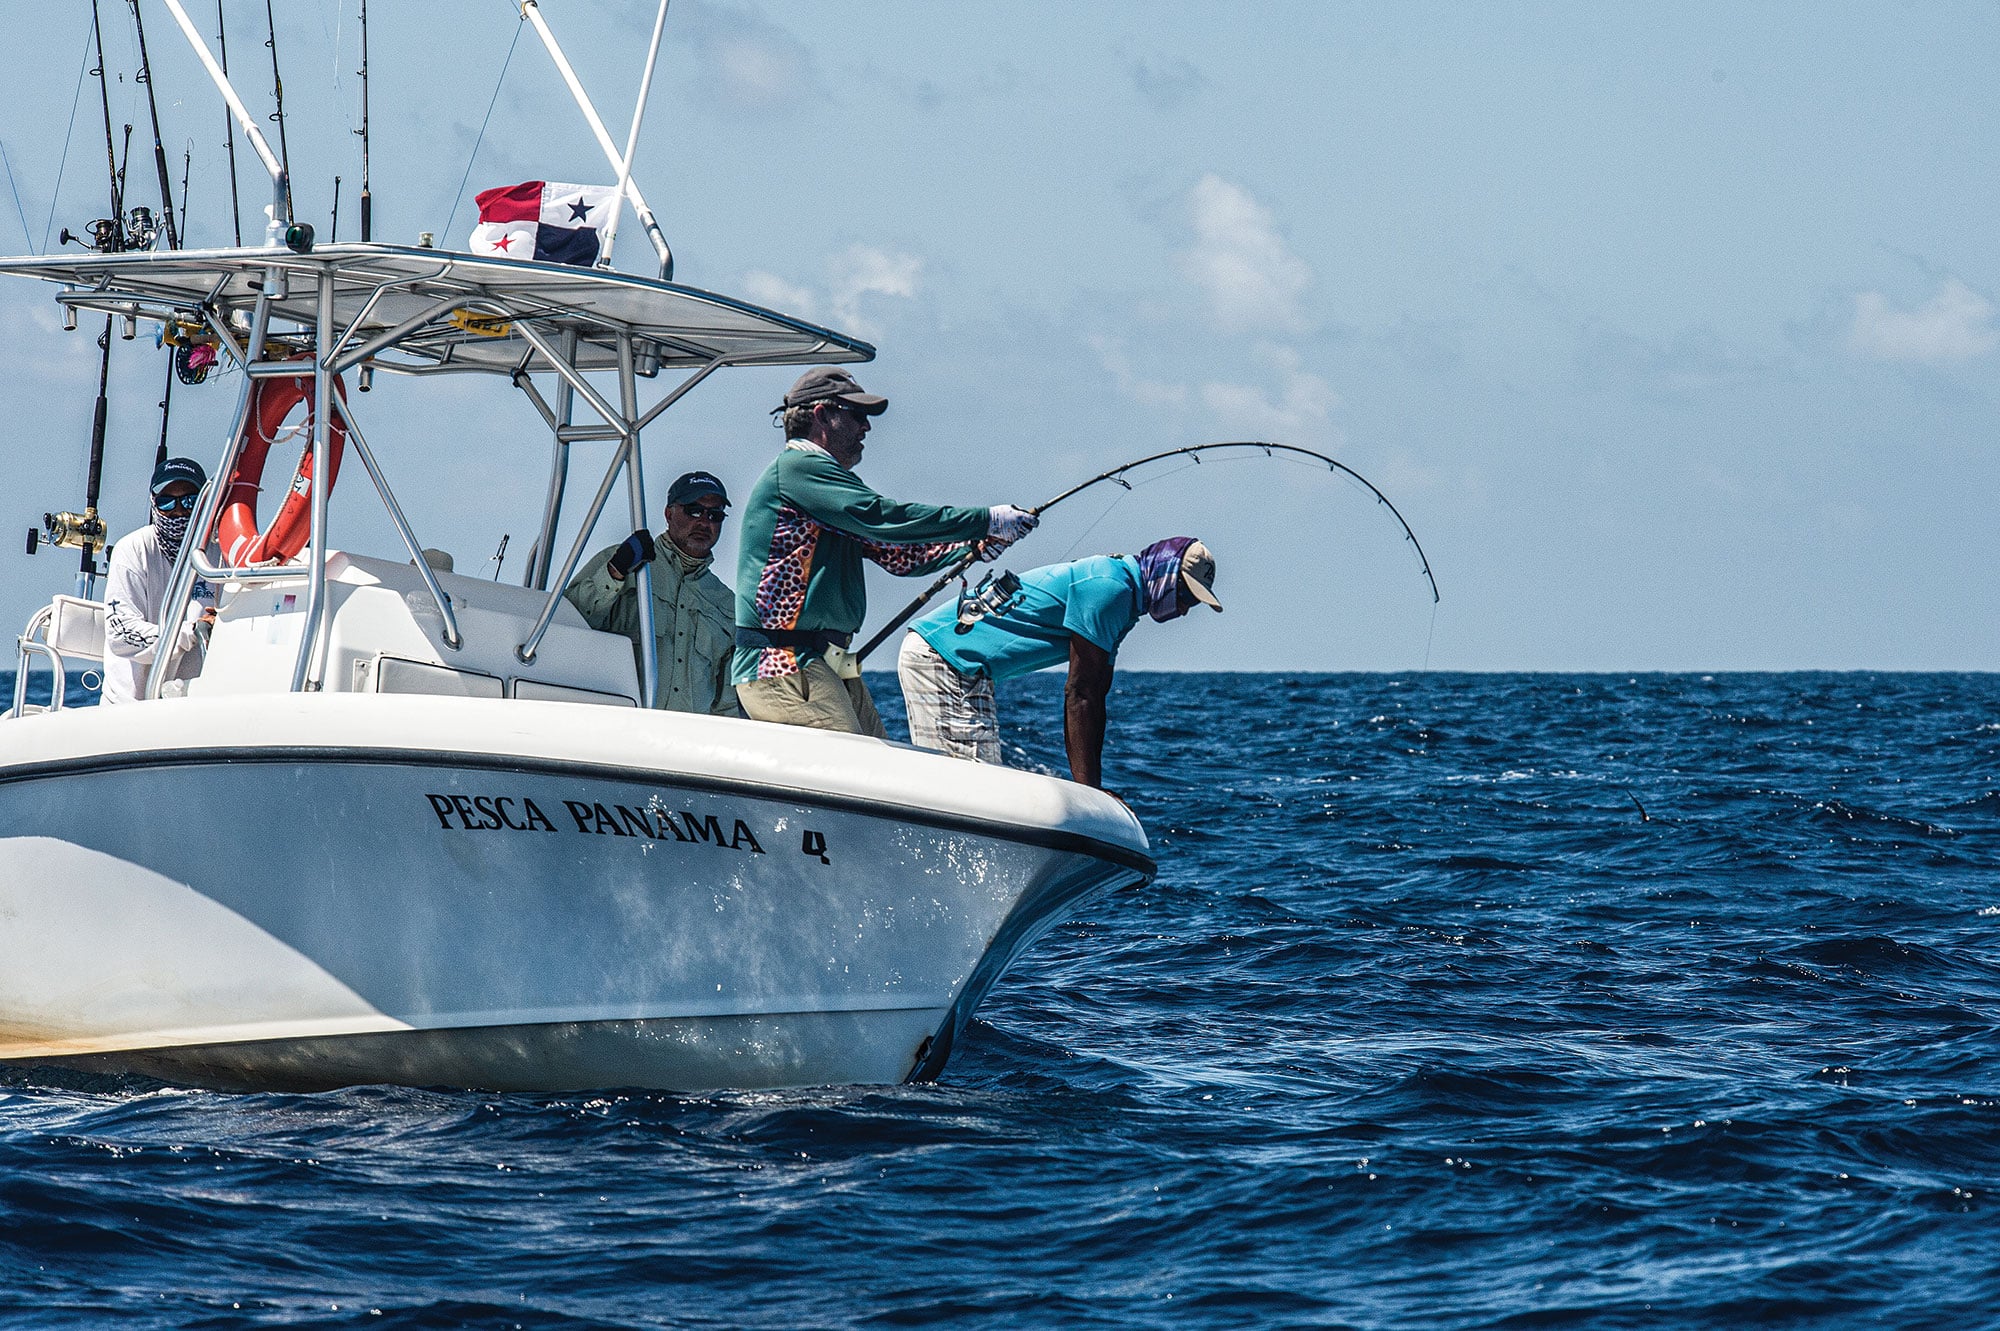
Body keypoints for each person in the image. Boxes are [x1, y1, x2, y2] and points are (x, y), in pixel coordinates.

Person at [733, 366, 1039, 736]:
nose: (867, 427)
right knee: (852, 779)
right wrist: (985, 520)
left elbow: (895, 552)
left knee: (878, 763)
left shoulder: (829, 483)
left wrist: (971, 548)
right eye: (857, 415)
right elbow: (882, 517)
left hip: (823, 661)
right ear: (821, 415)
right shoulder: (799, 470)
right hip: (783, 664)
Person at [897, 537, 1222, 788]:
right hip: (941, 657)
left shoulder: (1123, 597)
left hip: (966, 669)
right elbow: (1080, 695)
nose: (1184, 609)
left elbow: (1096, 696)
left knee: (982, 778)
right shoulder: (1110, 590)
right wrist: (1090, 795)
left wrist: (1092, 789)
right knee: (966, 787)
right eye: (1186, 595)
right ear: (1165, 572)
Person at [564, 470, 740, 716]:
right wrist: (615, 571)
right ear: (669, 514)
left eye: (715, 515)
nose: (704, 522)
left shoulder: (727, 604)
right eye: (694, 510)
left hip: (682, 746)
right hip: (615, 730)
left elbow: (727, 703)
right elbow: (569, 622)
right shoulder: (628, 563)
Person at [101, 456, 216, 705]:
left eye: (189, 500)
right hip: (130, 708)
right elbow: (121, 635)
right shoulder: (132, 549)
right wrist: (192, 632)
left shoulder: (221, 551)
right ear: (154, 503)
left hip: (197, 704)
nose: (178, 511)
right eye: (166, 502)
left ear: (205, 502)